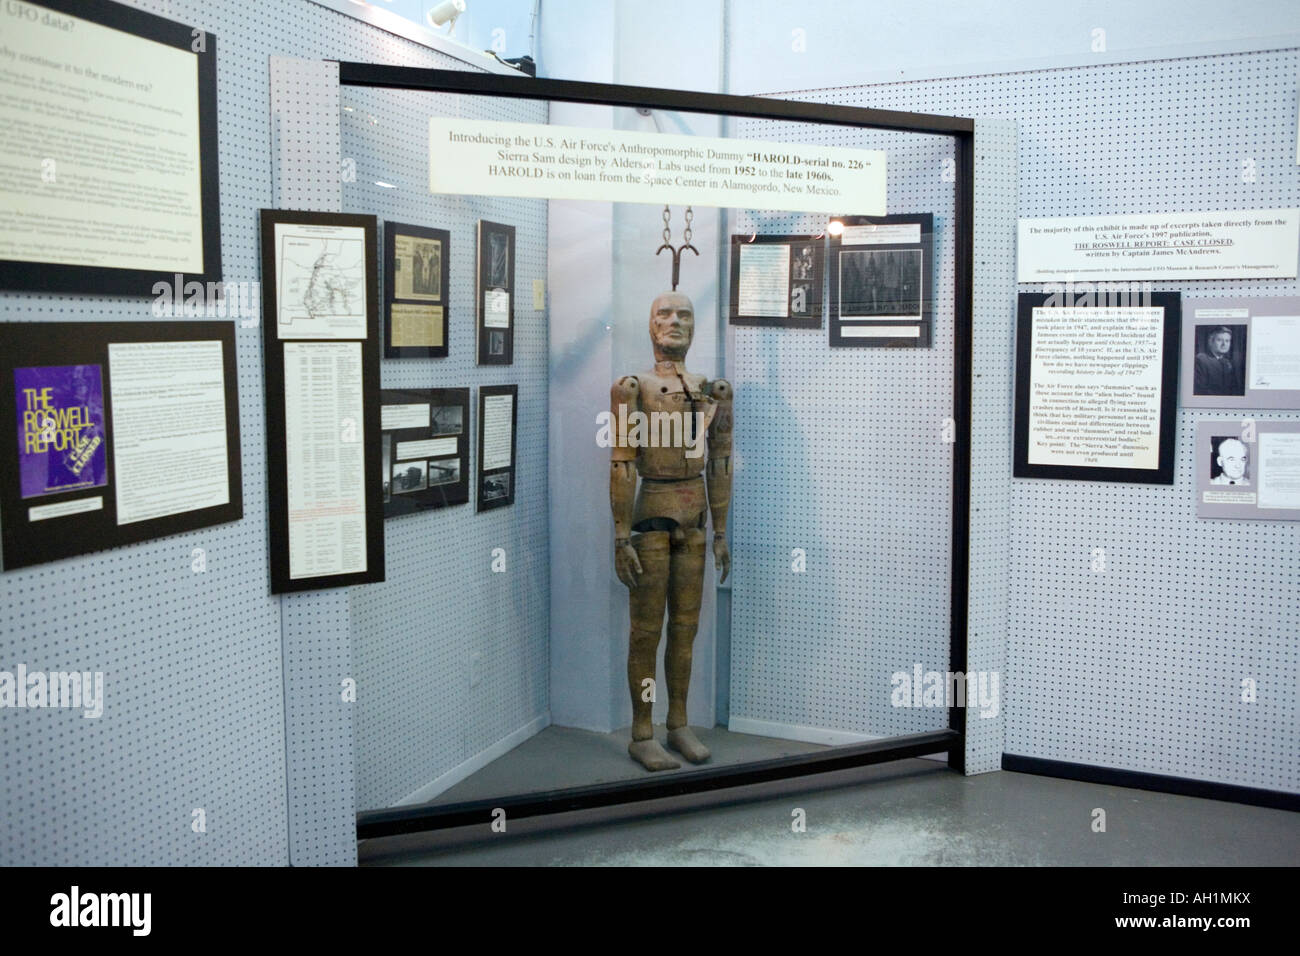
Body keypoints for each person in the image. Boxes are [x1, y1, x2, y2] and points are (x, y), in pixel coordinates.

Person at [610, 291, 733, 772]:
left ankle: (677, 723)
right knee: (646, 631)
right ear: (650, 324)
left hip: (696, 518)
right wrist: (621, 536)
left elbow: (720, 462)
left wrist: (720, 530)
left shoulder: (713, 389)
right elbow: (622, 464)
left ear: (695, 326)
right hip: (652, 517)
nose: (675, 321)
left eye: (685, 314)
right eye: (664, 313)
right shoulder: (632, 387)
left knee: (686, 629)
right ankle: (643, 730)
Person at [1194, 326, 1243, 396]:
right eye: (1219, 340)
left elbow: (1234, 389)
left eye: (1227, 341)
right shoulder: (1201, 359)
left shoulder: (1228, 363)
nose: (1224, 344)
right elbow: (1200, 390)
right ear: (1211, 342)